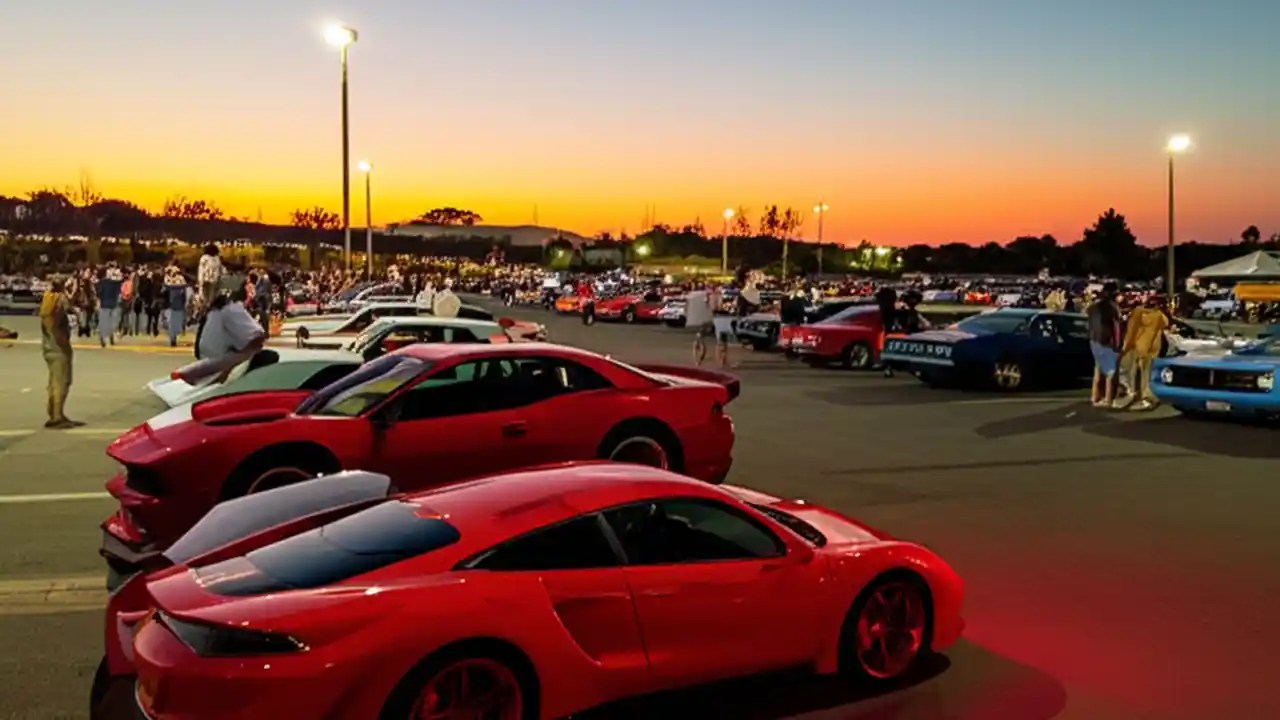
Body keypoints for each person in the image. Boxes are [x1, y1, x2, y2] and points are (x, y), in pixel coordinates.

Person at [38, 277, 81, 428]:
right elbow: (52, 322)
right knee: (61, 381)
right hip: (57, 347)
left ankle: (55, 413)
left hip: (48, 347)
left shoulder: (48, 297)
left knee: (54, 382)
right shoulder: (57, 300)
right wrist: (60, 339)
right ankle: (57, 416)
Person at [197, 289, 267, 377]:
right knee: (267, 356)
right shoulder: (232, 309)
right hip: (221, 365)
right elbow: (257, 336)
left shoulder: (213, 311)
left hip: (207, 361)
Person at [1122, 297, 1171, 411]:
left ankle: (1138, 395)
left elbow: (1131, 330)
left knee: (1135, 373)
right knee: (1148, 374)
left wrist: (1126, 347)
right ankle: (1147, 396)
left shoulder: (1138, 312)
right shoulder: (1158, 315)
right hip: (1153, 347)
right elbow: (1165, 323)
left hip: (1139, 346)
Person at [1087, 282, 1122, 408]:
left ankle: (1094, 397)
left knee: (1098, 370)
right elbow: (1116, 328)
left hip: (1094, 341)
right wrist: (1117, 345)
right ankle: (1107, 399)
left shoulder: (1092, 307)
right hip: (1106, 341)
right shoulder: (1113, 308)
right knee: (1110, 372)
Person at [96, 263, 123, 347]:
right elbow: (99, 293)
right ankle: (104, 337)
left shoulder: (114, 282)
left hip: (111, 304)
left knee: (110, 323)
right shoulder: (104, 282)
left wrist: (116, 274)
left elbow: (120, 280)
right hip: (106, 304)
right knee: (106, 322)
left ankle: (108, 337)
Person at [164, 265, 188, 347]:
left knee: (175, 323)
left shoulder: (180, 279)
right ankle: (172, 338)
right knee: (171, 323)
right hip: (171, 305)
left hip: (178, 305)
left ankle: (174, 338)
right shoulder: (167, 279)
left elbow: (184, 289)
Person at [197, 244, 224, 315]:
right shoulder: (209, 258)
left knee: (209, 299)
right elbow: (201, 271)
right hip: (210, 281)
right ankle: (206, 313)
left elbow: (201, 271)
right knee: (208, 299)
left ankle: (206, 313)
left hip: (211, 281)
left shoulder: (212, 258)